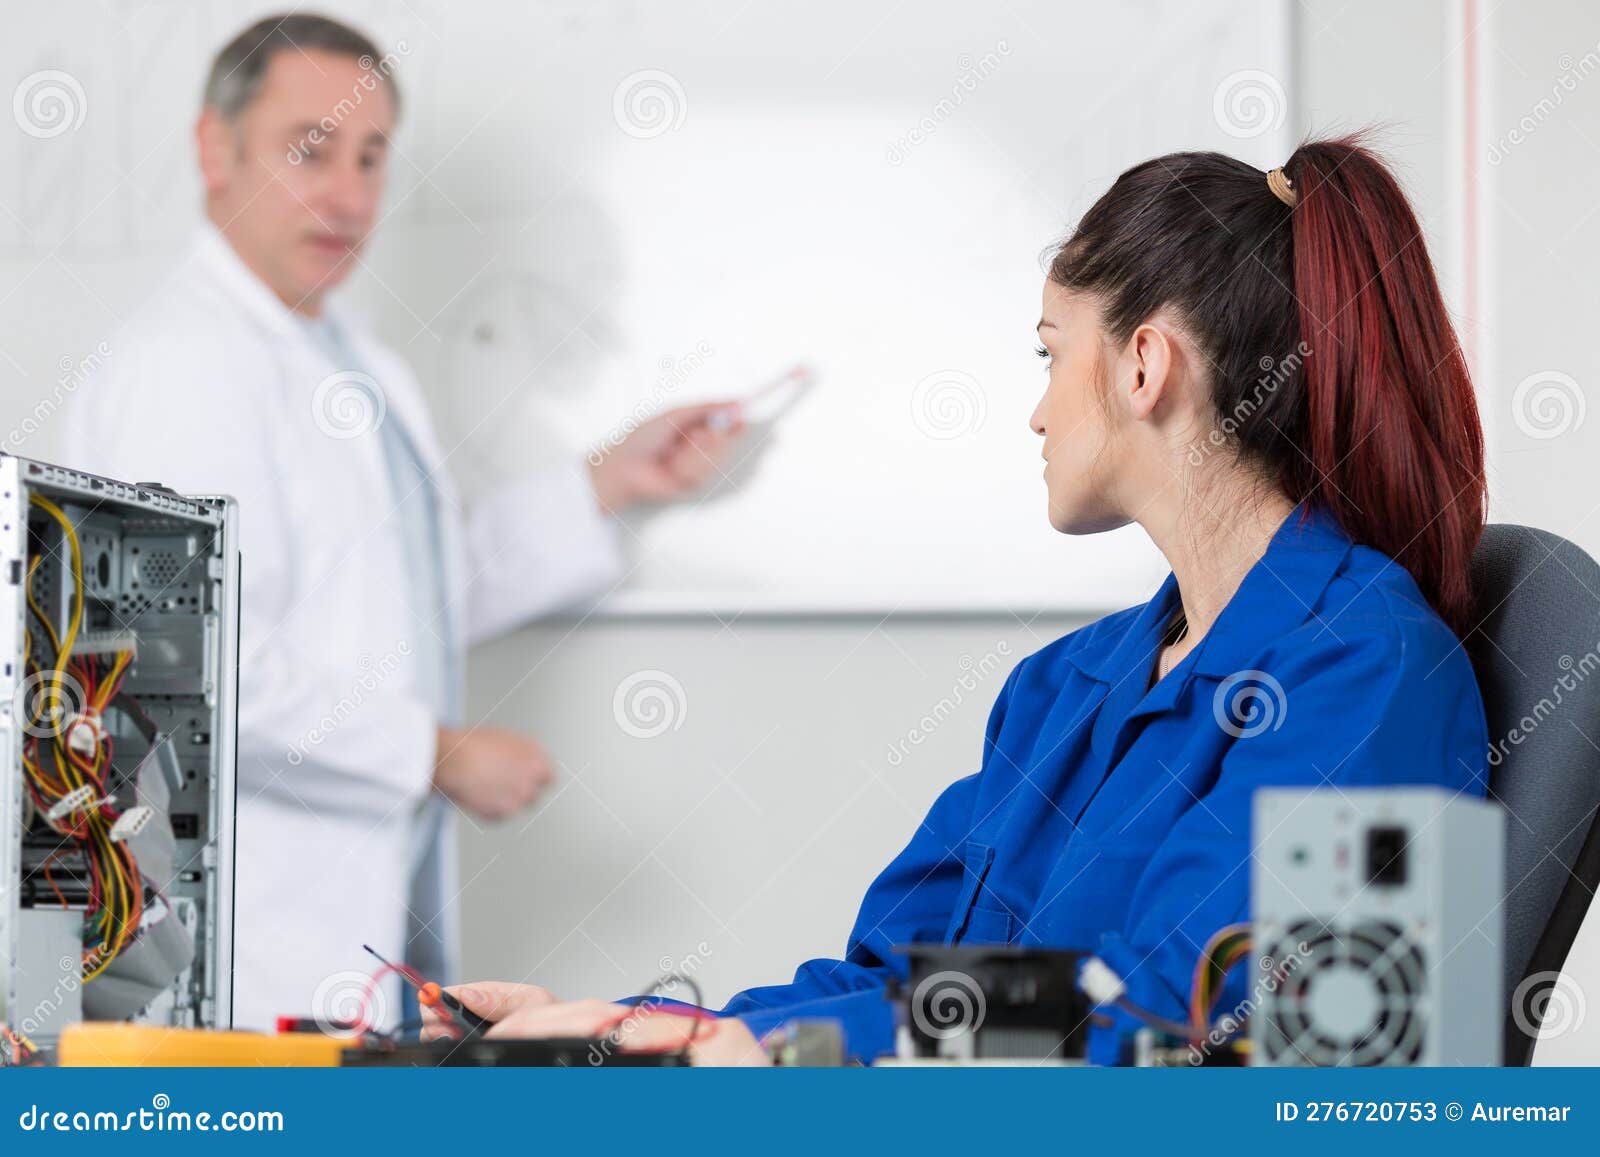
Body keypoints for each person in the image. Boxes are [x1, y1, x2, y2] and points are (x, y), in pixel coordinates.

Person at [421, 136, 1491, 1065]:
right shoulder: (1063, 687)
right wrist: (615, 1024)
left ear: (1143, 366)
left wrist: (744, 1054)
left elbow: (1196, 1038)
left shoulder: (1368, 671)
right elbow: (893, 978)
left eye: (1049, 354)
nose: (1034, 412)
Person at [66, 14, 744, 1031]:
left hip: (343, 932)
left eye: (372, 157)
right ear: (216, 146)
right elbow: (180, 664)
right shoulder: (185, 370)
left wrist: (607, 480)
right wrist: (431, 750)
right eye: (311, 150)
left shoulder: (354, 365)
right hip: (236, 951)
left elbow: (408, 598)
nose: (349, 195)